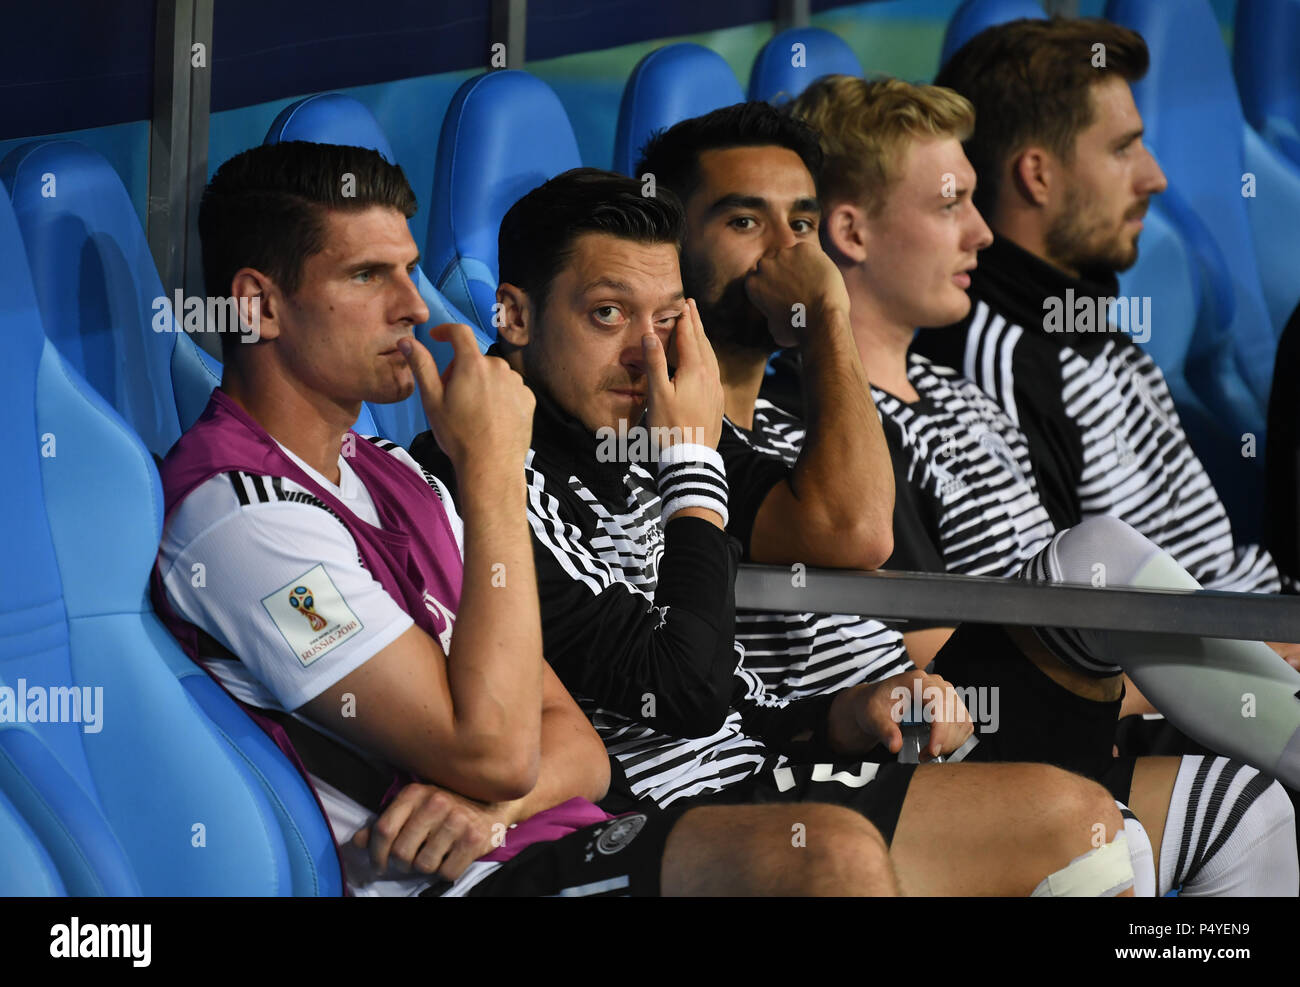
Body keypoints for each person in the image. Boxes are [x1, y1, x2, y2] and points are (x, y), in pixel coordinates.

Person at [149, 140, 903, 898]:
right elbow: (499, 749)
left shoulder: (391, 470)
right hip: (468, 885)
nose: (412, 306)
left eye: (410, 271)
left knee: (1011, 807)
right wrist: (492, 471)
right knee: (830, 858)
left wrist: (497, 807)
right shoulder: (242, 517)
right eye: (367, 275)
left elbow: (578, 743)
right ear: (257, 304)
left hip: (560, 837)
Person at [412, 165, 1140, 897]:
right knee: (1076, 826)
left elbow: (850, 537)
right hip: (667, 825)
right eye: (607, 314)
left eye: (665, 320)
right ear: (515, 316)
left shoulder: (654, 416)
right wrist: (692, 465)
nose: (645, 353)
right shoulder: (486, 472)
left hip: (769, 769)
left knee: (1112, 825)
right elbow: (683, 696)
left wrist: (844, 715)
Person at [732, 75, 1294, 895]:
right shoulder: (824, 432)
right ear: (850, 232)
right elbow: (919, 648)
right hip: (954, 732)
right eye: (952, 205)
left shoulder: (962, 393)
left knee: (1250, 805)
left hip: (1062, 699)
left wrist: (1223, 666)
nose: (983, 233)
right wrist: (1216, 671)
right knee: (1095, 556)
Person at [914, 16, 1282, 602]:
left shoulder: (1079, 315)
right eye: (1122, 149)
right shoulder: (999, 363)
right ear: (1036, 175)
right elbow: (1068, 644)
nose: (1155, 178)